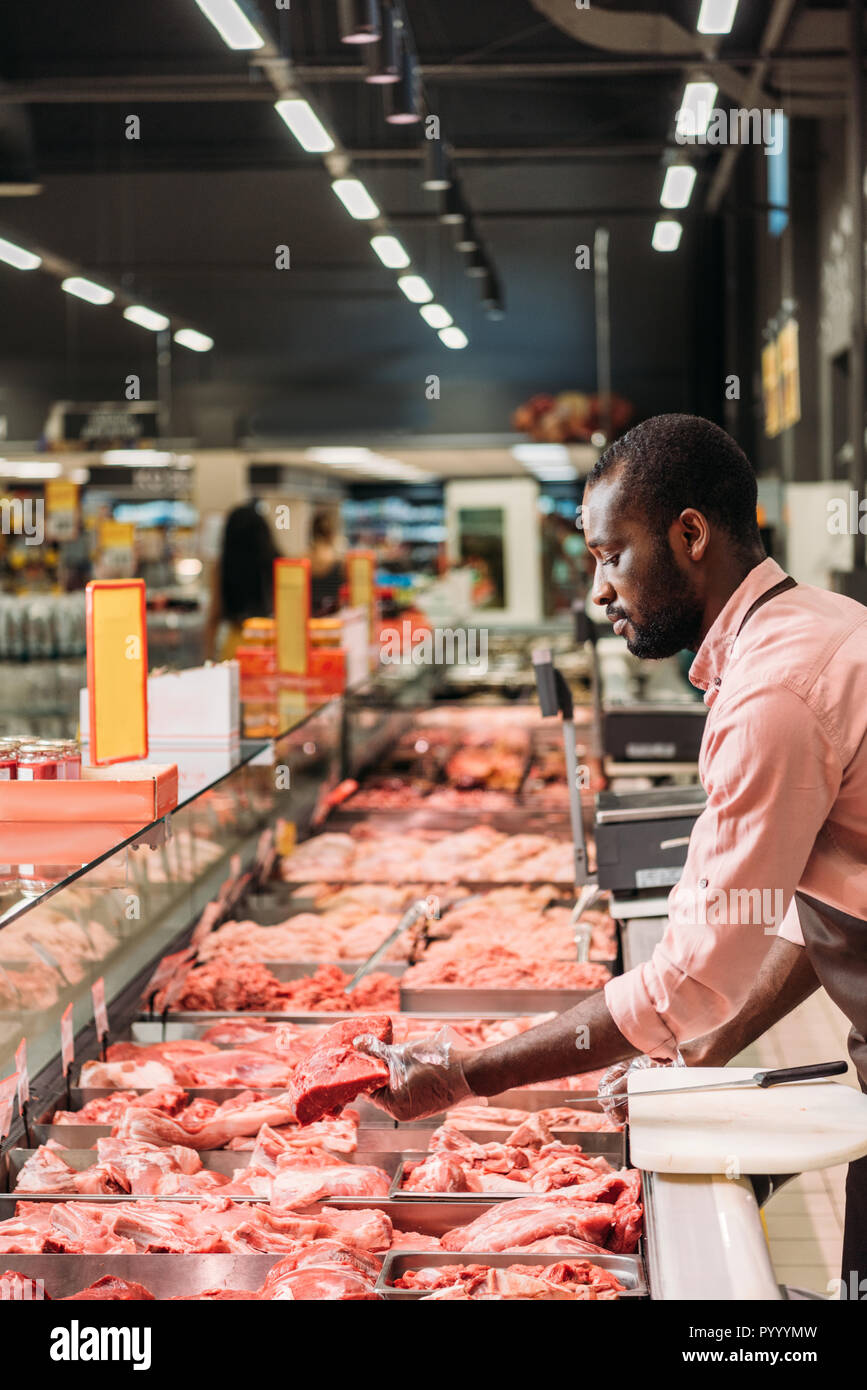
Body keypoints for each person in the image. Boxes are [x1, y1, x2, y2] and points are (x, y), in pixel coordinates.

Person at [361, 413, 867, 1278]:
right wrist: (703, 1043)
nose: (599, 592)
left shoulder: (774, 690)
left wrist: (468, 1075)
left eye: (610, 556)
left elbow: (691, 977)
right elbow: (799, 906)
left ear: (690, 534)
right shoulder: (817, 624)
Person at [205, 501, 277, 660]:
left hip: (236, 643)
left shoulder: (223, 566)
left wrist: (208, 657)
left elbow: (214, 615)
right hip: (270, 642)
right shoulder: (274, 563)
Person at [309, 509, 344, 618]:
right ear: (332, 533)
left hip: (310, 617)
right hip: (333, 620)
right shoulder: (340, 560)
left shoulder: (303, 559)